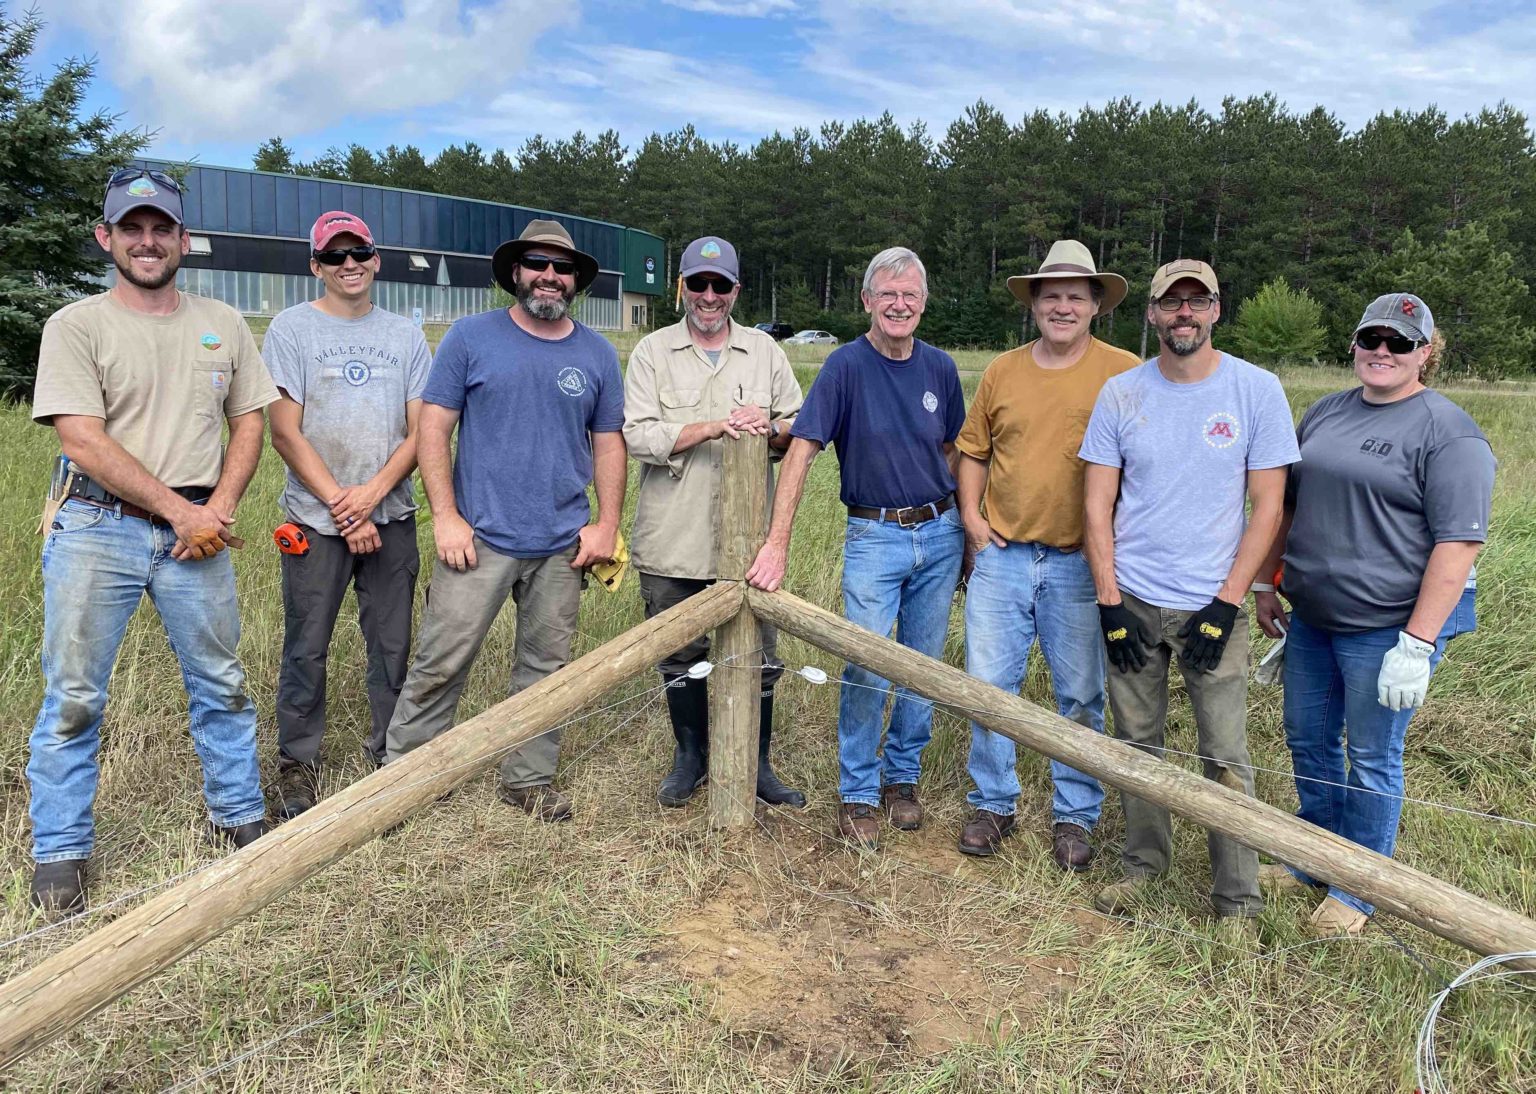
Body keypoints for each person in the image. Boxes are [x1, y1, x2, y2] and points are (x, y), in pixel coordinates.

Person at [27, 168, 278, 913]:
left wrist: (218, 508)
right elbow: (81, 438)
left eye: (161, 228)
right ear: (105, 237)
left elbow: (250, 419)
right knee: (75, 696)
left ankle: (240, 816)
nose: (147, 241)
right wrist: (179, 512)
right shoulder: (76, 326)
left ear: (183, 239)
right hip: (95, 528)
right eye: (131, 228)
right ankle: (61, 851)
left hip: (200, 532)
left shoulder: (223, 322)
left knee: (222, 684)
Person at [1254, 293, 1493, 937]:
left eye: (1400, 342)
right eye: (1372, 338)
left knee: (1372, 755)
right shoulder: (1325, 412)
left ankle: (1360, 886)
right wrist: (1266, 583)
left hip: (1388, 628)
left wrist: (1418, 643)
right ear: (1355, 344)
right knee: (1307, 738)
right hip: (1314, 617)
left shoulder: (1450, 433)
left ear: (1425, 353)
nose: (1382, 351)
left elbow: (1458, 545)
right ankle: (1315, 856)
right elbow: (1288, 506)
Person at [1079, 258, 1299, 934]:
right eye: (1171, 302)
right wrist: (1110, 603)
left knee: (1224, 752)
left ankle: (1238, 899)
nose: (1184, 313)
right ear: (1151, 313)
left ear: (1215, 310)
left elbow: (1268, 507)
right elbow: (1096, 504)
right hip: (1136, 596)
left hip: (1213, 604)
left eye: (1196, 302)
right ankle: (1145, 866)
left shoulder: (1256, 390)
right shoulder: (1121, 393)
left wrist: (1227, 603)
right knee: (1135, 742)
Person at [383, 220, 624, 822]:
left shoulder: (597, 353)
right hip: (479, 538)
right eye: (538, 264)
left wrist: (606, 525)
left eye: (562, 268)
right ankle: (403, 782)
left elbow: (608, 444)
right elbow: (433, 429)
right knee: (441, 661)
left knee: (546, 670)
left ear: (575, 281)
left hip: (562, 544)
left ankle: (528, 779)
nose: (550, 276)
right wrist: (446, 517)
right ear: (516, 272)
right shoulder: (470, 337)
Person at [747, 247, 965, 850]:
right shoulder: (844, 367)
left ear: (924, 303)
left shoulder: (941, 369)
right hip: (875, 536)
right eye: (887, 293)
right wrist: (777, 544)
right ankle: (859, 791)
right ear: (867, 300)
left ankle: (902, 778)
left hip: (940, 533)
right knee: (866, 663)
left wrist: (966, 532)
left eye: (910, 294)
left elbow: (953, 451)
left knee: (922, 664)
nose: (899, 304)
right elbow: (801, 452)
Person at [955, 240, 1139, 862]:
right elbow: (974, 451)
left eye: (1075, 297)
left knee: (1081, 694)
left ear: (1095, 306)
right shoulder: (1002, 371)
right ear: (1033, 304)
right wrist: (972, 520)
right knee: (989, 687)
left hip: (1081, 563)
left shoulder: (1124, 372)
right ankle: (992, 803)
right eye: (1051, 295)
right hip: (1003, 556)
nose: (1063, 307)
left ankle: (1075, 815)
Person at [623, 236, 805, 810]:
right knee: (680, 654)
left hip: (748, 543)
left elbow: (799, 428)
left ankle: (756, 764)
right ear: (682, 287)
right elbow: (637, 435)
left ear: (735, 290)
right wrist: (710, 427)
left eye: (719, 285)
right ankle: (691, 758)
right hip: (673, 538)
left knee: (759, 659)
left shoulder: (765, 352)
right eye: (698, 284)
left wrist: (769, 426)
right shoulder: (652, 352)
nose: (708, 295)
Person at [265, 211, 431, 818]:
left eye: (358, 251)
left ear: (375, 259)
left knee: (392, 645)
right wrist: (344, 506)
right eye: (334, 256)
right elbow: (284, 431)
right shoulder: (291, 329)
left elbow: (422, 431)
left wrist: (372, 497)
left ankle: (393, 757)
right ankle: (298, 765)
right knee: (306, 647)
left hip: (392, 516)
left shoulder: (406, 336)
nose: (349, 264)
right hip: (315, 523)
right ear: (317, 266)